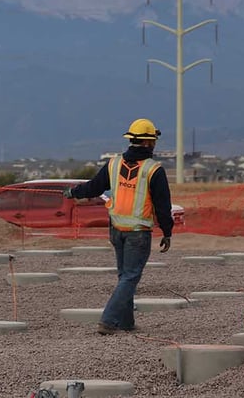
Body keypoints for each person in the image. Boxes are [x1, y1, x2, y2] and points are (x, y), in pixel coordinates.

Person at [65, 118, 174, 335]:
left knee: (125, 275)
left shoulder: (114, 164)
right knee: (130, 277)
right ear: (148, 143)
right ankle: (108, 320)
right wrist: (167, 231)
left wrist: (74, 192)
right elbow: (163, 205)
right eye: (153, 141)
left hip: (116, 229)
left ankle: (126, 322)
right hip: (138, 233)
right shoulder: (154, 170)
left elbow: (94, 187)